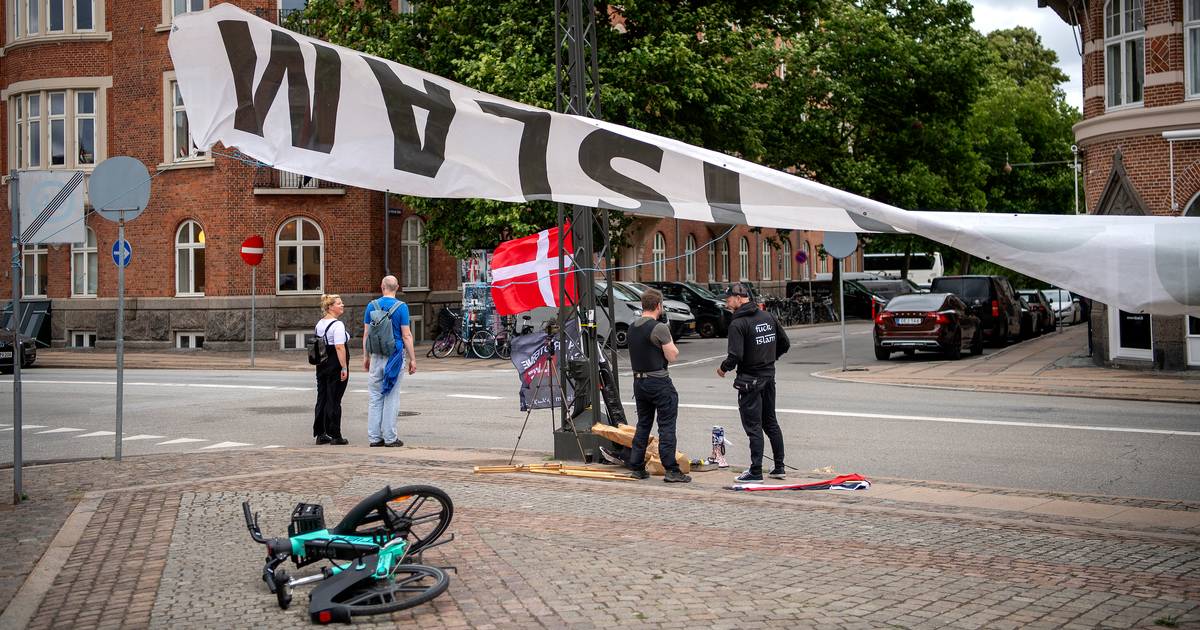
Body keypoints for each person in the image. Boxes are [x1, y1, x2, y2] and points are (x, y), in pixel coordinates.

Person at [716, 282, 790, 483]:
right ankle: (779, 467)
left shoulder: (738, 324)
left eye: (729, 298)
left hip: (749, 380)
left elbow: (735, 355)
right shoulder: (767, 316)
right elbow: (785, 343)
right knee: (770, 422)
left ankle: (756, 471)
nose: (727, 302)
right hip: (768, 376)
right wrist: (768, 359)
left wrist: (723, 368)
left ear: (739, 298)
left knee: (754, 426)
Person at [626, 288, 691, 483]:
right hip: (659, 381)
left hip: (639, 382)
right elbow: (672, 355)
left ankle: (636, 466)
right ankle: (671, 469)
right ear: (658, 306)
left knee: (643, 424)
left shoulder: (632, 327)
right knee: (666, 426)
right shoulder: (659, 328)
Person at [363, 275, 416, 447]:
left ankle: (374, 437)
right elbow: (406, 335)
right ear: (397, 287)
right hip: (394, 356)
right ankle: (390, 437)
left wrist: (366, 357)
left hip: (376, 355)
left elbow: (366, 334)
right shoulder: (402, 307)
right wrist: (412, 359)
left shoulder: (372, 305)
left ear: (382, 286)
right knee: (391, 397)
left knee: (375, 397)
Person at [313, 294, 350, 445]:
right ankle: (335, 434)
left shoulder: (319, 324)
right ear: (330, 307)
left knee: (322, 397)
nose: (342, 305)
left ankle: (320, 433)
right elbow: (340, 347)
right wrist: (344, 367)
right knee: (334, 399)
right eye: (339, 303)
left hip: (321, 364)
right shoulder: (337, 325)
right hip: (335, 364)